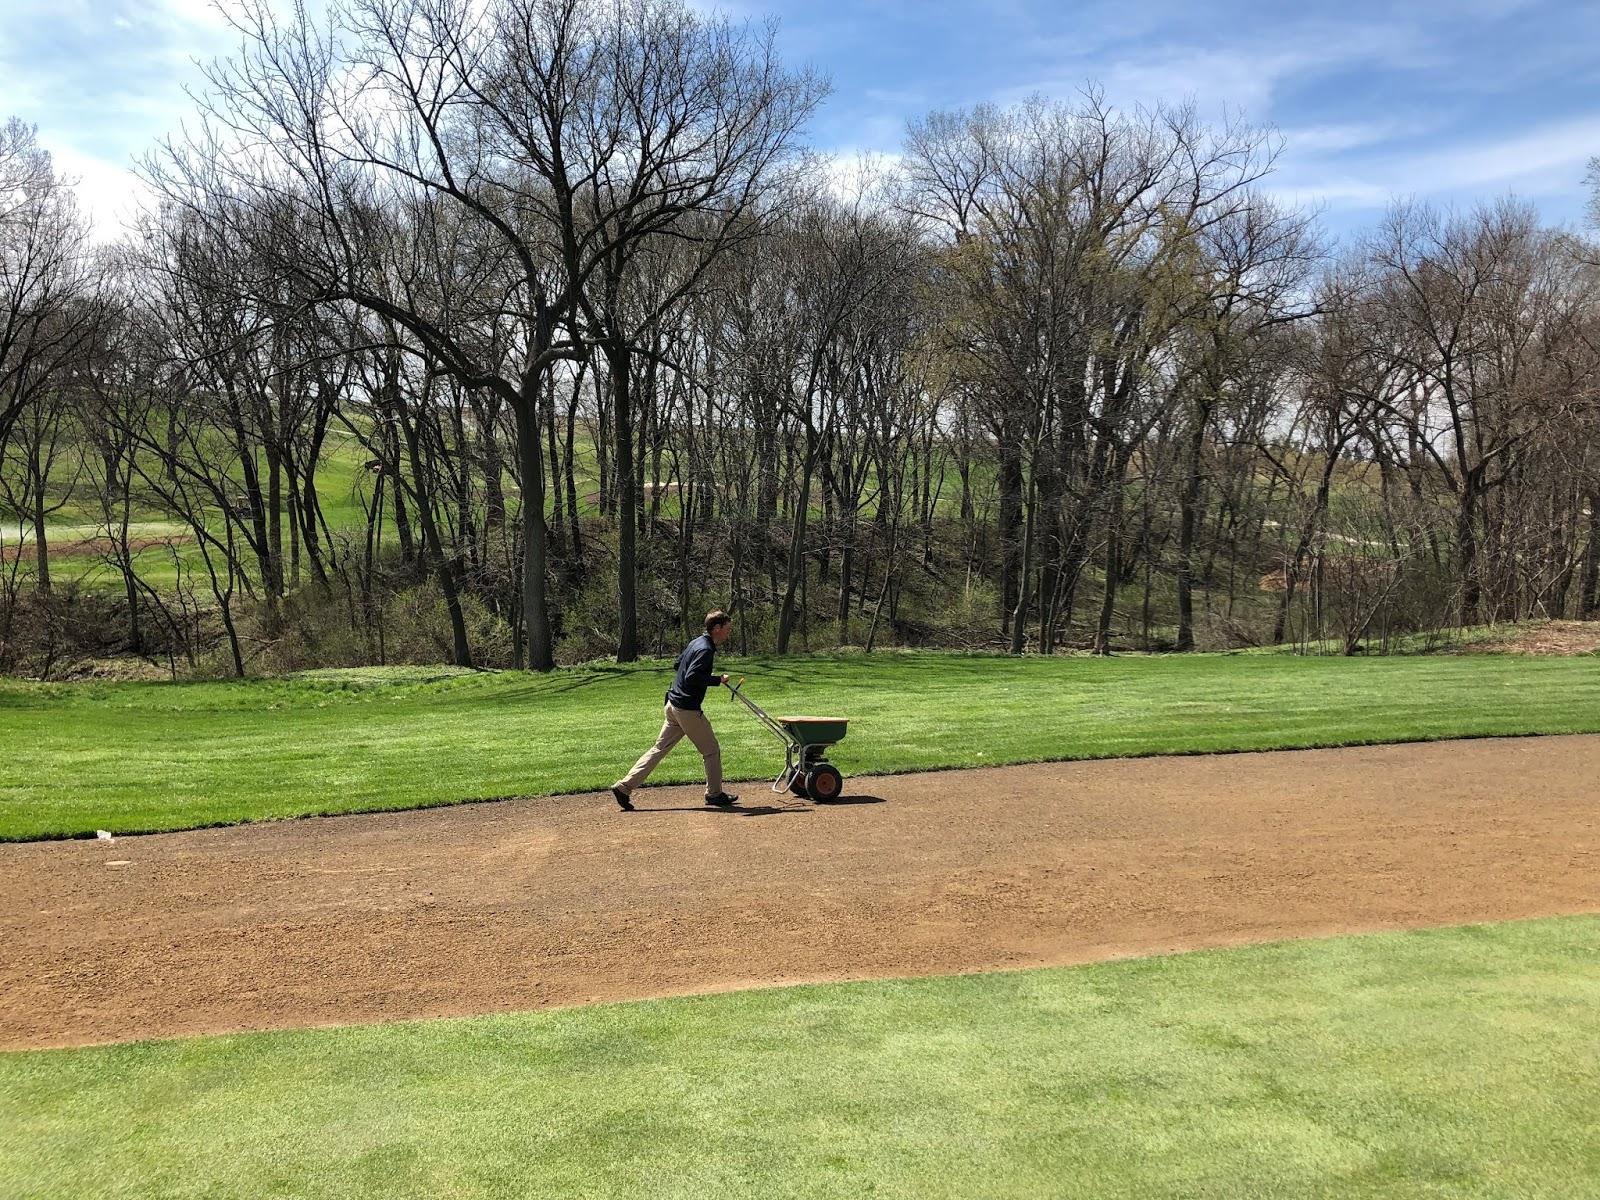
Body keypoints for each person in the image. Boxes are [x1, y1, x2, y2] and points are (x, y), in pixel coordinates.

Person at [611, 610, 740, 811]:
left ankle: (624, 787)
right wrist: (717, 680)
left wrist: (705, 674)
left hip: (672, 705)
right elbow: (691, 677)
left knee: (658, 749)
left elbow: (678, 664)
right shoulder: (705, 649)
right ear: (717, 628)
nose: (728, 633)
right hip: (687, 709)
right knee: (711, 749)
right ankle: (714, 794)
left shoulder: (696, 643)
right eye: (727, 628)